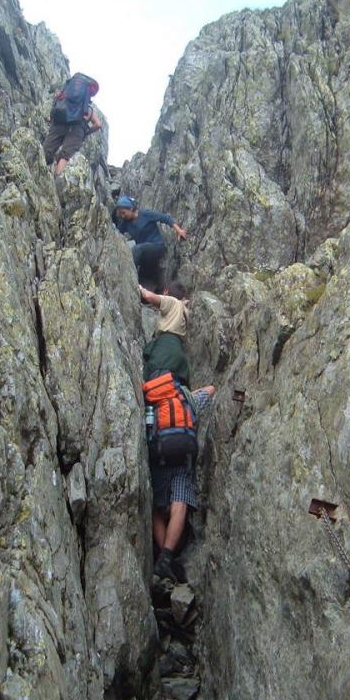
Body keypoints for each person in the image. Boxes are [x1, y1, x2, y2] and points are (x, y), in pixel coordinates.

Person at [139, 282, 213, 580]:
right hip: (181, 443)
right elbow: (207, 392)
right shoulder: (185, 397)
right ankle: (168, 557)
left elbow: (147, 296)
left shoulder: (169, 304)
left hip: (158, 439)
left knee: (159, 502)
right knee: (180, 497)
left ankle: (159, 555)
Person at [114, 195, 187, 284]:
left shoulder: (145, 214)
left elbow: (165, 218)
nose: (122, 216)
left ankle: (129, 278)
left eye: (123, 212)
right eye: (120, 214)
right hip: (144, 253)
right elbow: (116, 234)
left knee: (136, 249)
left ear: (131, 209)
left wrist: (179, 230)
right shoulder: (125, 223)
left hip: (157, 246)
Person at [43, 72, 102, 175]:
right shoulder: (88, 108)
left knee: (47, 149)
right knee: (65, 155)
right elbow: (98, 124)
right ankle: (56, 179)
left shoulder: (65, 98)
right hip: (77, 129)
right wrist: (86, 132)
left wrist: (51, 119)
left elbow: (56, 107)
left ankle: (40, 170)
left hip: (59, 122)